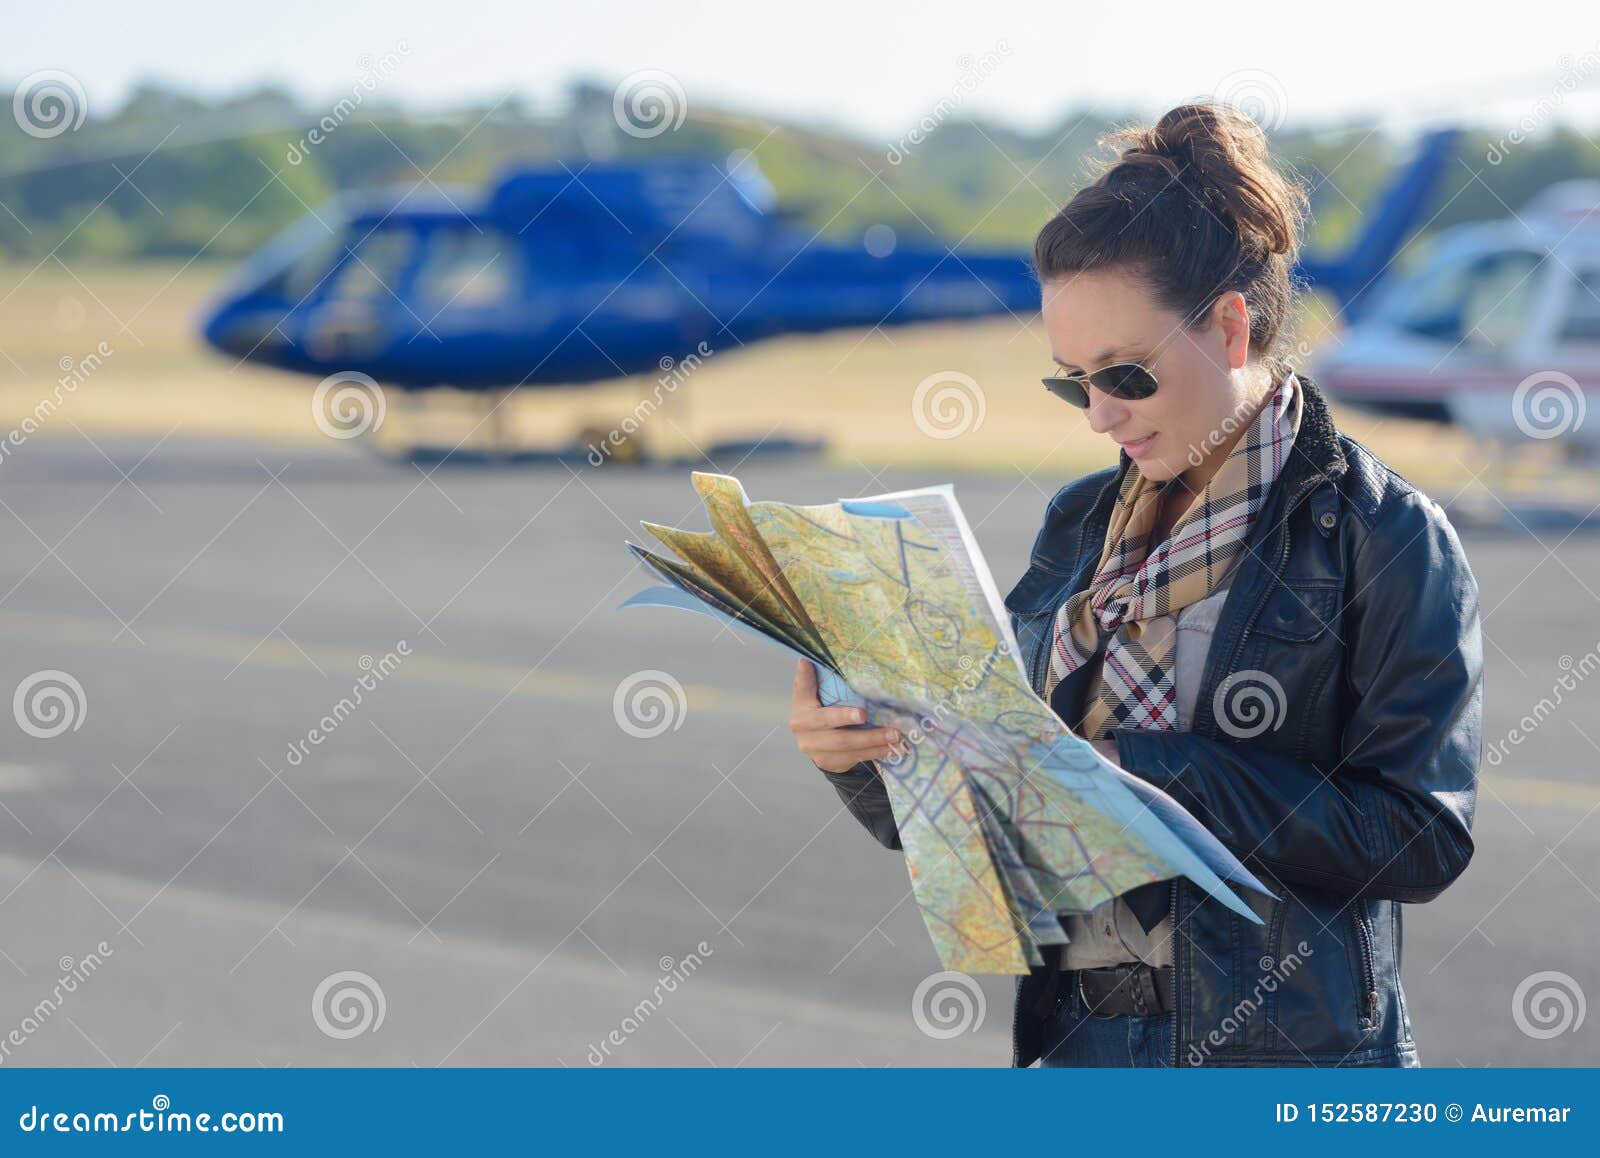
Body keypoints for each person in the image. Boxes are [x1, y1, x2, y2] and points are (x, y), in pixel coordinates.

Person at [790, 102, 1482, 1067]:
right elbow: (1003, 805)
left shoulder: (1385, 534)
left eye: (1123, 375)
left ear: (1232, 328)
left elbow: (1419, 836)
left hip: (1284, 1060)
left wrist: (1153, 777)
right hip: (1078, 1044)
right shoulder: (1078, 523)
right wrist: (864, 759)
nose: (1098, 416)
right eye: (1073, 382)